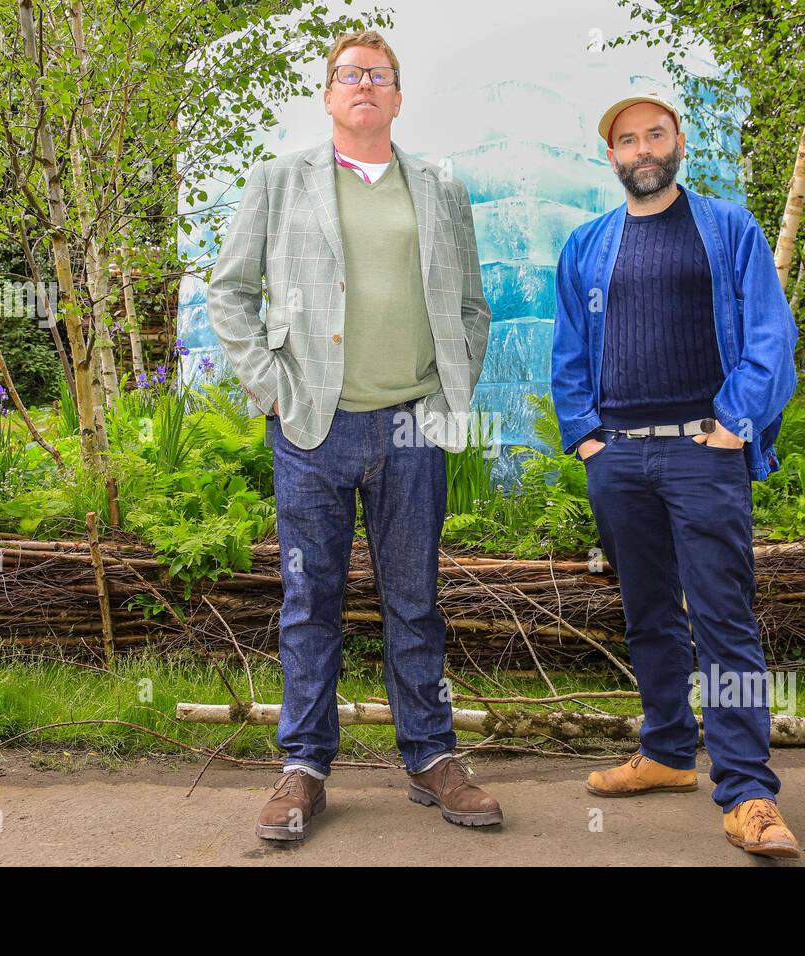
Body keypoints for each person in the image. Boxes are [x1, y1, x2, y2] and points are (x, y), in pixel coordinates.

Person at [208, 30, 497, 842]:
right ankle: (303, 767)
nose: (363, 85)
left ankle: (431, 757)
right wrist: (270, 387)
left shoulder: (440, 187)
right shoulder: (279, 180)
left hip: (413, 425)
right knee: (311, 601)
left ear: (397, 98)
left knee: (416, 601)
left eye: (378, 76)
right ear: (329, 97)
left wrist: (454, 391)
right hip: (314, 426)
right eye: (348, 76)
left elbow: (470, 306)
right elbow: (229, 293)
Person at [550, 92, 801, 858]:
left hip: (704, 452)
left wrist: (736, 422)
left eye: (655, 134)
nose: (643, 148)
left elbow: (770, 335)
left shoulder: (727, 229)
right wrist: (587, 438)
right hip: (619, 455)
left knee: (725, 619)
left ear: (678, 141)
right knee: (649, 612)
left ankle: (749, 792)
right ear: (613, 156)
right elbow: (568, 351)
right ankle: (664, 753)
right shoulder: (588, 244)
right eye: (628, 140)